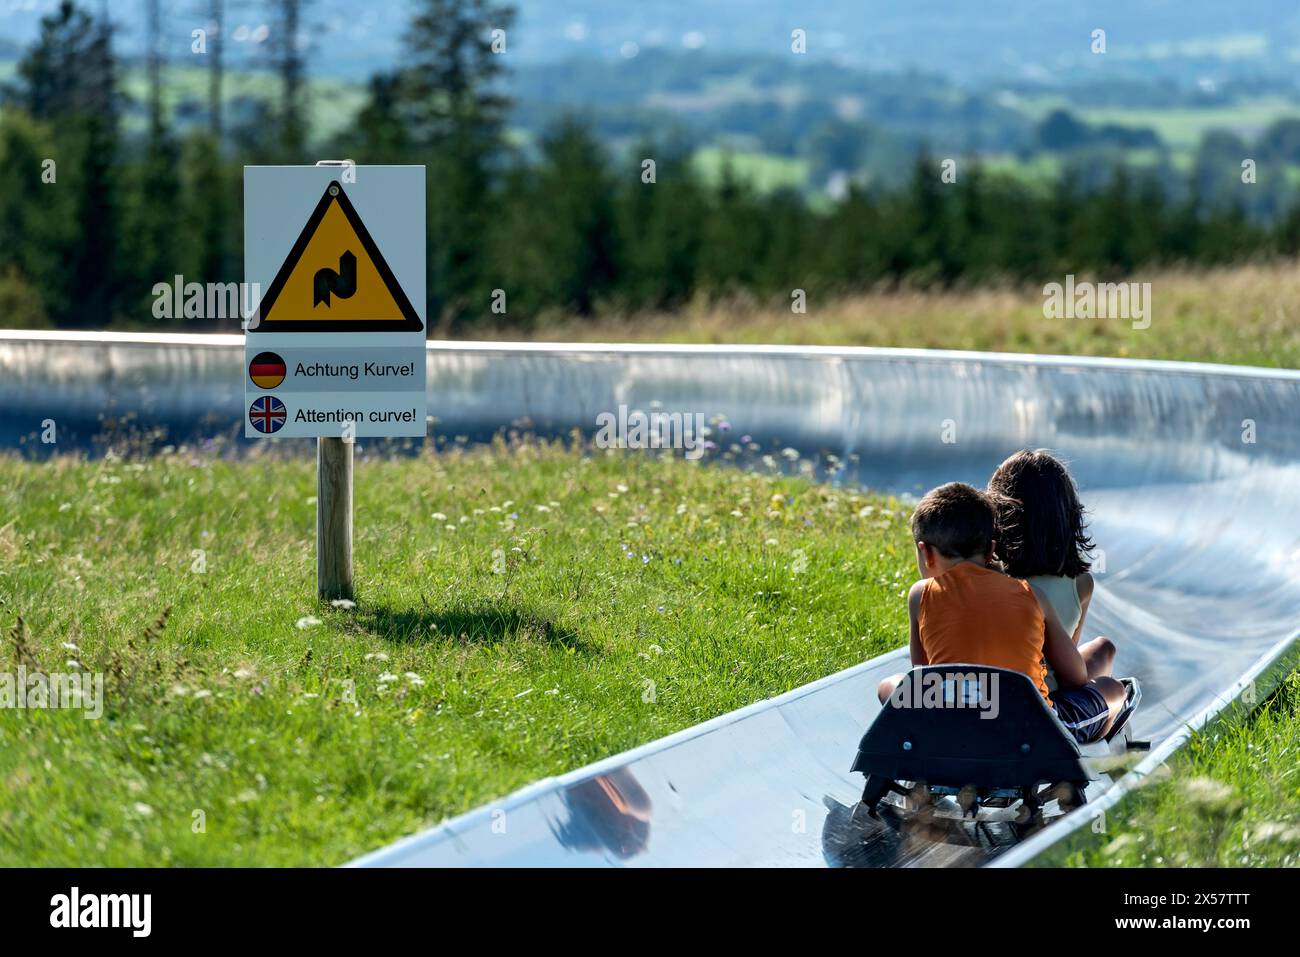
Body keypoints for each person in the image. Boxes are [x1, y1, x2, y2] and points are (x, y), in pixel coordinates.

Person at [876, 482, 1126, 744]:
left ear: (924, 552)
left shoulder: (921, 594)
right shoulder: (1032, 595)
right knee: (1114, 689)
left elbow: (922, 673)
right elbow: (1076, 676)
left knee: (889, 685)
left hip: (953, 724)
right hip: (1033, 730)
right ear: (990, 551)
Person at [987, 449, 1115, 687]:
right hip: (1048, 698)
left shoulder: (985, 573)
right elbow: (1069, 664)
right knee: (1104, 650)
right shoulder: (1081, 583)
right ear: (1068, 516)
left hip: (993, 691)